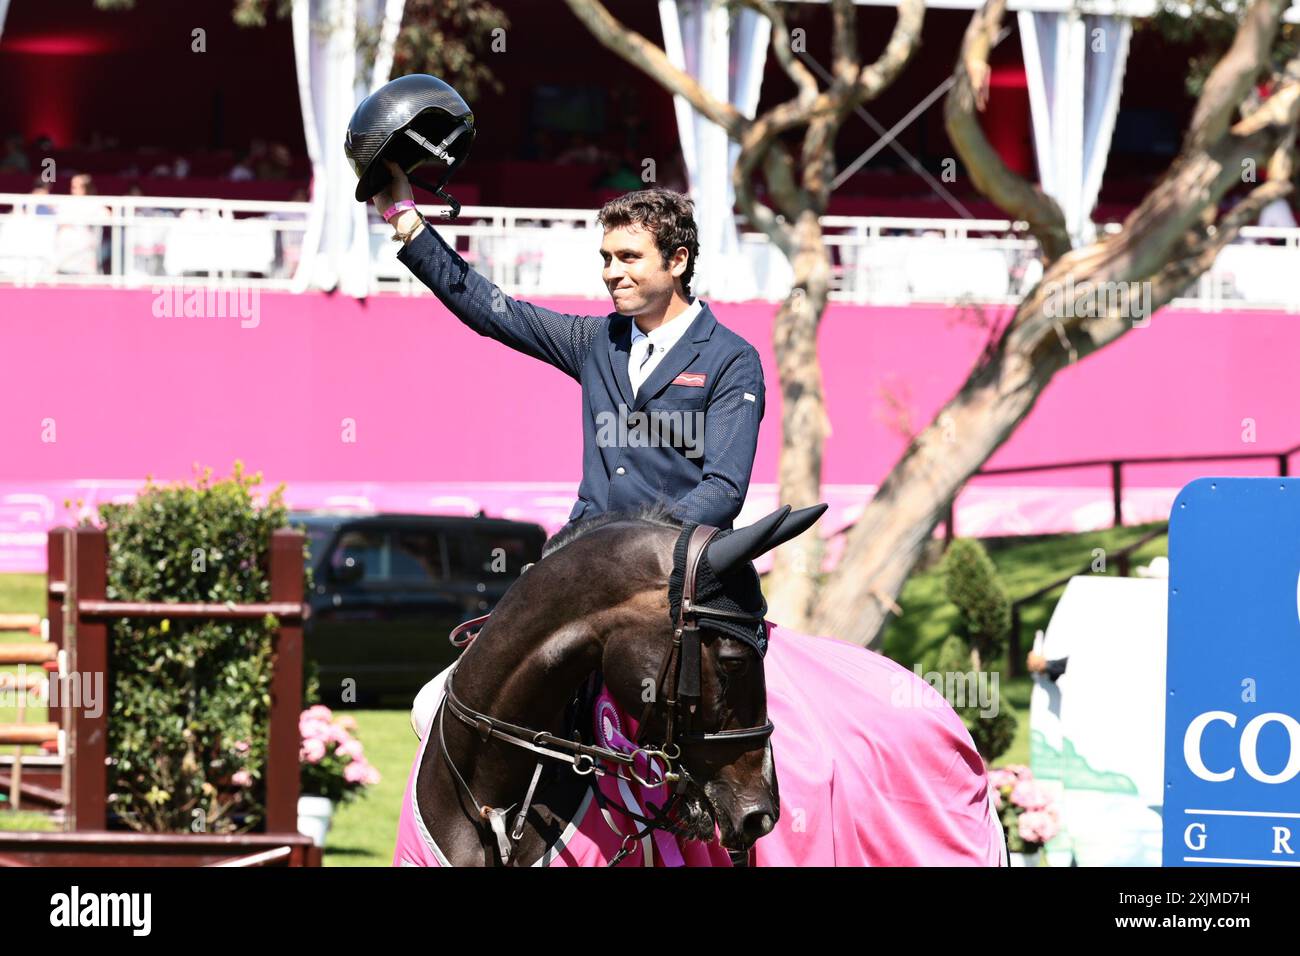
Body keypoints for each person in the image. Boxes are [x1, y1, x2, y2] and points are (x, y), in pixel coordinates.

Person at [374, 162, 765, 533]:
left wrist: (639, 544)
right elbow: (494, 312)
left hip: (679, 570)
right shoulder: (594, 340)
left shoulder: (732, 359)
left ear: (677, 261)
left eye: (629, 257)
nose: (612, 273)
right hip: (583, 560)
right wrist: (405, 220)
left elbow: (723, 491)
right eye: (607, 258)